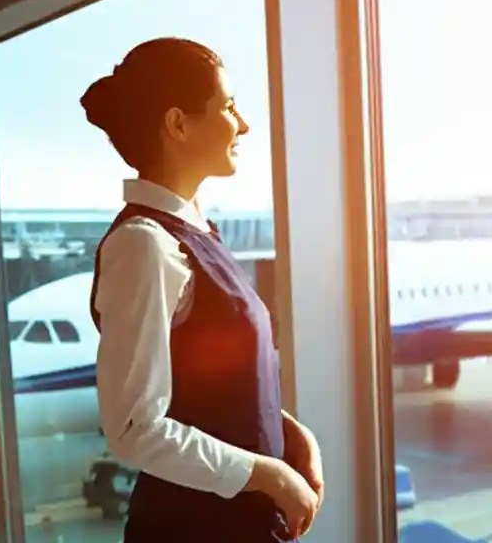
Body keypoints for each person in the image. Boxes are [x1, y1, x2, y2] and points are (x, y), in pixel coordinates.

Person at [80, 37, 322, 541]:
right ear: (178, 124)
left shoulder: (193, 234)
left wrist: (289, 435)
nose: (244, 124)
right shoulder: (145, 246)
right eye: (230, 106)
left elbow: (208, 389)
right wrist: (269, 473)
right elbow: (134, 429)